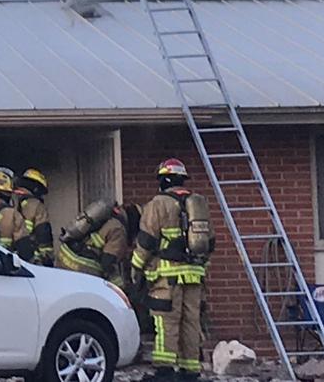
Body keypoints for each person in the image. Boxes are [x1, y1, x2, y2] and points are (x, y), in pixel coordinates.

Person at [132, 158, 214, 382]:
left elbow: (146, 241)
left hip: (167, 277)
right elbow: (210, 243)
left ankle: (165, 370)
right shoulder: (198, 203)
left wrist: (136, 268)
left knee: (166, 321)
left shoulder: (157, 204)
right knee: (191, 321)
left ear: (164, 180)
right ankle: (190, 370)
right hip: (194, 275)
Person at [58, 200, 141, 288]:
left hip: (64, 255)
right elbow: (108, 263)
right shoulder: (119, 230)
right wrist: (120, 289)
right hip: (82, 266)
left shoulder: (108, 217)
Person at [11, 168, 54, 266]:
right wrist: (47, 257)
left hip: (9, 256)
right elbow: (43, 233)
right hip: (31, 259)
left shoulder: (9, 199)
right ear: (36, 188)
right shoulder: (36, 205)